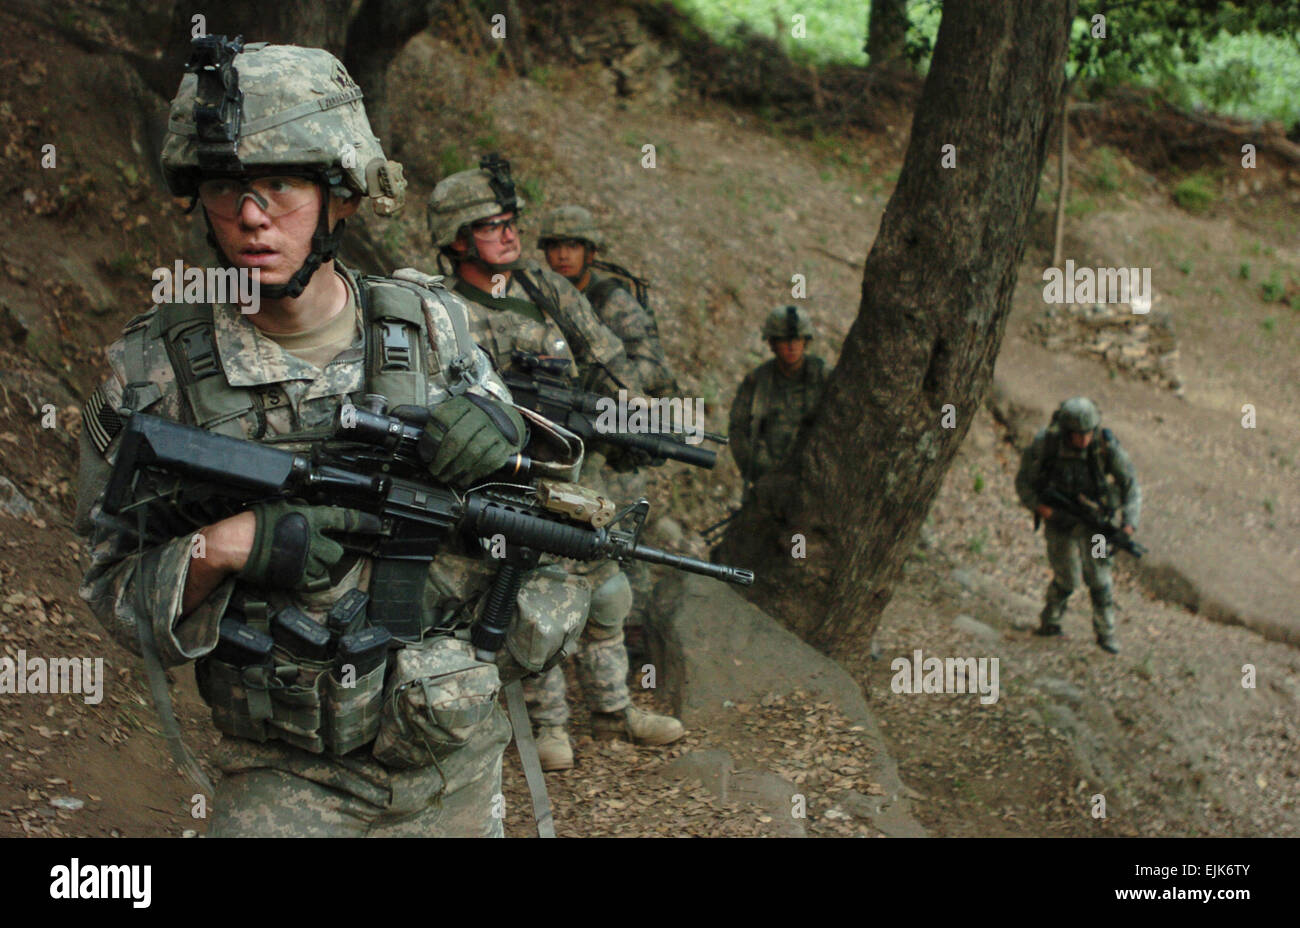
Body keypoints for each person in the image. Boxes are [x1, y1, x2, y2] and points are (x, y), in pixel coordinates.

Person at [74, 37, 584, 836]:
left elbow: (539, 507)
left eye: (280, 184)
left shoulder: (432, 328)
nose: (250, 215)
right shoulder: (153, 370)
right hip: (288, 782)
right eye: (224, 187)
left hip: (457, 761)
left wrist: (502, 428)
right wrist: (231, 545)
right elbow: (115, 597)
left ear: (342, 195)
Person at [428, 163, 684, 772]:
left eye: (511, 222)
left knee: (608, 589)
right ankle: (546, 726)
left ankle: (614, 711)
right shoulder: (442, 312)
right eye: (490, 226)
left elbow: (604, 354)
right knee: (524, 594)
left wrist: (632, 410)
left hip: (569, 467)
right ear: (458, 238)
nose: (509, 235)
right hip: (499, 476)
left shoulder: (543, 285)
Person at [1014, 396, 1142, 654]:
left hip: (1094, 527)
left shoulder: (1105, 446)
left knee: (1099, 579)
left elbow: (1130, 486)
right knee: (1067, 578)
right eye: (1077, 434)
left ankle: (1106, 633)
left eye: (1088, 433)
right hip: (1060, 521)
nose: (1084, 440)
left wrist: (1129, 524)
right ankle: (1050, 622)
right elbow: (1024, 483)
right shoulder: (1046, 444)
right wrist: (1041, 509)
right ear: (1066, 431)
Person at [728, 305, 829, 495]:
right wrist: (760, 470)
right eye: (784, 340)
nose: (792, 346)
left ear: (806, 341)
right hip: (769, 478)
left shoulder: (822, 376)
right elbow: (738, 431)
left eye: (797, 339)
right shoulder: (758, 382)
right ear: (772, 343)